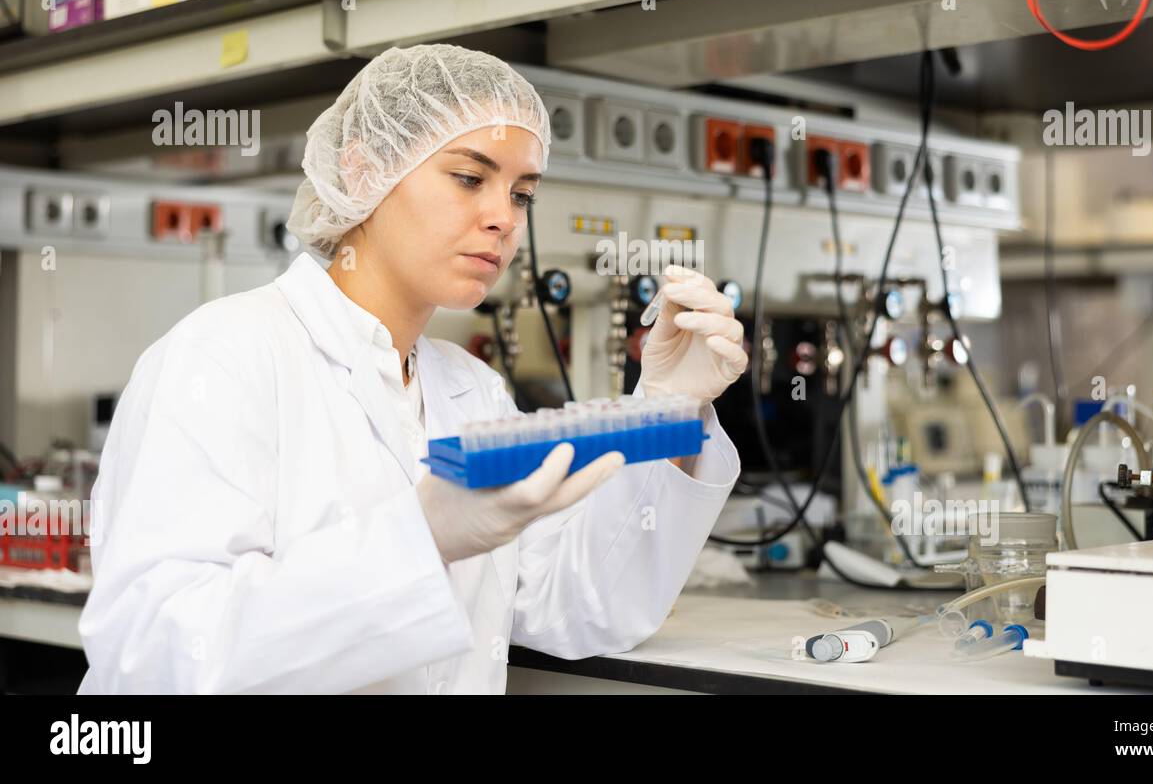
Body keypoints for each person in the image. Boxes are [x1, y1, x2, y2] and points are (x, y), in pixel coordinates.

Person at [78, 44, 747, 694]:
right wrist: (419, 538)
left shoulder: (470, 389)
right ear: (364, 169)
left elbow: (578, 608)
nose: (502, 219)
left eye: (521, 194)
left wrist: (666, 410)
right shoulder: (226, 356)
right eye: (468, 178)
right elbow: (155, 657)